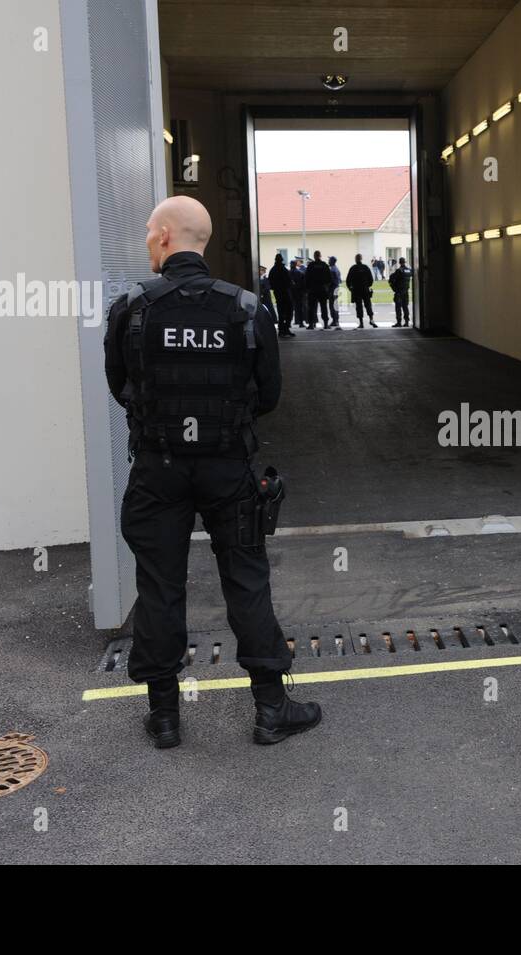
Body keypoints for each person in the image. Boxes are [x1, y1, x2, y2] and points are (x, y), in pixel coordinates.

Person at [103, 195, 321, 748]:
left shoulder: (131, 308)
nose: (148, 241)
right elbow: (268, 396)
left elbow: (119, 387)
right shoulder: (247, 310)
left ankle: (166, 717)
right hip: (228, 470)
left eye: (152, 232)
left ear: (169, 238)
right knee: (247, 579)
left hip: (158, 470)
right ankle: (271, 709)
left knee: (159, 586)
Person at [346, 254, 377, 328]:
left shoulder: (353, 268)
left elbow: (348, 281)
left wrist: (350, 289)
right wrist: (367, 286)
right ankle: (371, 320)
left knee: (359, 307)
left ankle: (361, 323)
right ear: (361, 259)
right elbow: (371, 280)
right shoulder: (365, 267)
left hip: (356, 291)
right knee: (368, 305)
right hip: (365, 290)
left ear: (355, 259)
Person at [305, 251, 333, 329]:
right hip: (322, 289)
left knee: (311, 308)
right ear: (320, 256)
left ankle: (311, 324)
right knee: (324, 307)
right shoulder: (324, 265)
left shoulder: (311, 265)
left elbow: (306, 278)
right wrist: (326, 287)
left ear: (314, 256)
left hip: (312, 290)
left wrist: (307, 289)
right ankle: (325, 324)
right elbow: (329, 278)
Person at [269, 253, 294, 338]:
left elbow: (270, 283)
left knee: (281, 312)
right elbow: (289, 281)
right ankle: (286, 329)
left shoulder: (273, 270)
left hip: (278, 293)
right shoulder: (283, 269)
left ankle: (281, 330)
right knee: (289, 311)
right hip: (285, 293)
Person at [388, 257, 413, 327]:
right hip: (406, 292)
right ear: (405, 262)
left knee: (398, 307)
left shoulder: (399, 271)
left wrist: (393, 287)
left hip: (399, 292)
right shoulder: (409, 271)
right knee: (405, 307)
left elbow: (391, 278)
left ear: (399, 262)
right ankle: (407, 322)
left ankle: (399, 322)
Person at [290, 257, 308, 328]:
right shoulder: (300, 273)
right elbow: (304, 284)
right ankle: (300, 322)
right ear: (295, 265)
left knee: (290, 308)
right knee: (299, 308)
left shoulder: (287, 273)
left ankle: (289, 323)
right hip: (299, 293)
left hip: (290, 293)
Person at [328, 255, 342, 328]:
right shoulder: (336, 269)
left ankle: (335, 321)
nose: (328, 261)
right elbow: (340, 280)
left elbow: (331, 282)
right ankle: (335, 321)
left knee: (332, 306)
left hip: (333, 290)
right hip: (336, 289)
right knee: (334, 306)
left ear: (332, 261)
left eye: (329, 260)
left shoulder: (332, 270)